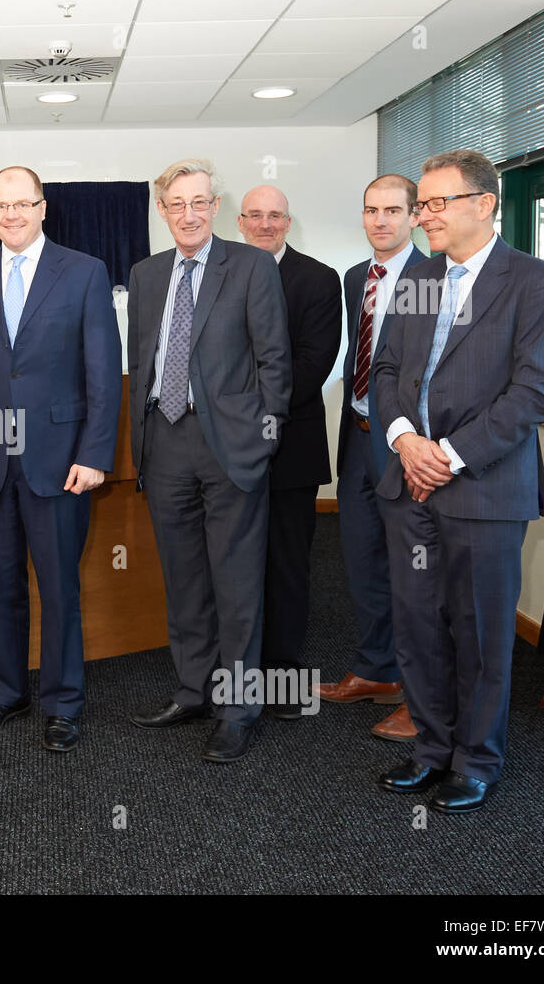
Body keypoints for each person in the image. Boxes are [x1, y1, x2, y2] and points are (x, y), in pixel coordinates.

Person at [375, 149, 544, 813]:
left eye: (435, 203)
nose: (423, 216)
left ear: (484, 204)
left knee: (482, 632)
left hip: (484, 488)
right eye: (422, 204)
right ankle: (432, 749)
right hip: (410, 485)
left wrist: (448, 455)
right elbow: (384, 375)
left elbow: (534, 394)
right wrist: (406, 441)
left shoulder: (538, 284)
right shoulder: (416, 279)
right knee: (419, 625)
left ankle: (476, 761)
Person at [0, 165, 121, 752]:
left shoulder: (84, 272)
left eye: (22, 204)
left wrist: (95, 454)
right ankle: (4, 692)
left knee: (59, 585)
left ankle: (63, 703)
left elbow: (103, 372)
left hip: (60, 460)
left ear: (42, 208)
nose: (11, 214)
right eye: (0, 206)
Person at [127, 159, 291, 762]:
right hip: (164, 440)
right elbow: (140, 361)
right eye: (176, 204)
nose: (188, 214)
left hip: (231, 447)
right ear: (162, 210)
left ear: (215, 207)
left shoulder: (249, 266)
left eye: (199, 202)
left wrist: (262, 438)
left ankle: (238, 707)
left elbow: (276, 361)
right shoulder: (145, 276)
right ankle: (194, 688)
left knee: (237, 582)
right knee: (185, 578)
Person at [322, 175, 428, 741]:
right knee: (360, 558)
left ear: (414, 216)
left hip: (406, 443)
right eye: (371, 210)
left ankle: (421, 698)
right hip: (358, 432)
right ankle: (375, 669)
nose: (380, 220)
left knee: (413, 571)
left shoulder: (432, 279)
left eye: (392, 210)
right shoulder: (354, 277)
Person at [237, 185, 341, 717]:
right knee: (234, 562)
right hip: (224, 450)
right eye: (255, 215)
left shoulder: (318, 280)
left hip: (289, 447)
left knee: (286, 563)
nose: (265, 224)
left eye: (274, 216)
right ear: (239, 221)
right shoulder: (219, 273)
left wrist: (248, 414)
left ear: (288, 222)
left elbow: (313, 362)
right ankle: (235, 666)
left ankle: (279, 673)